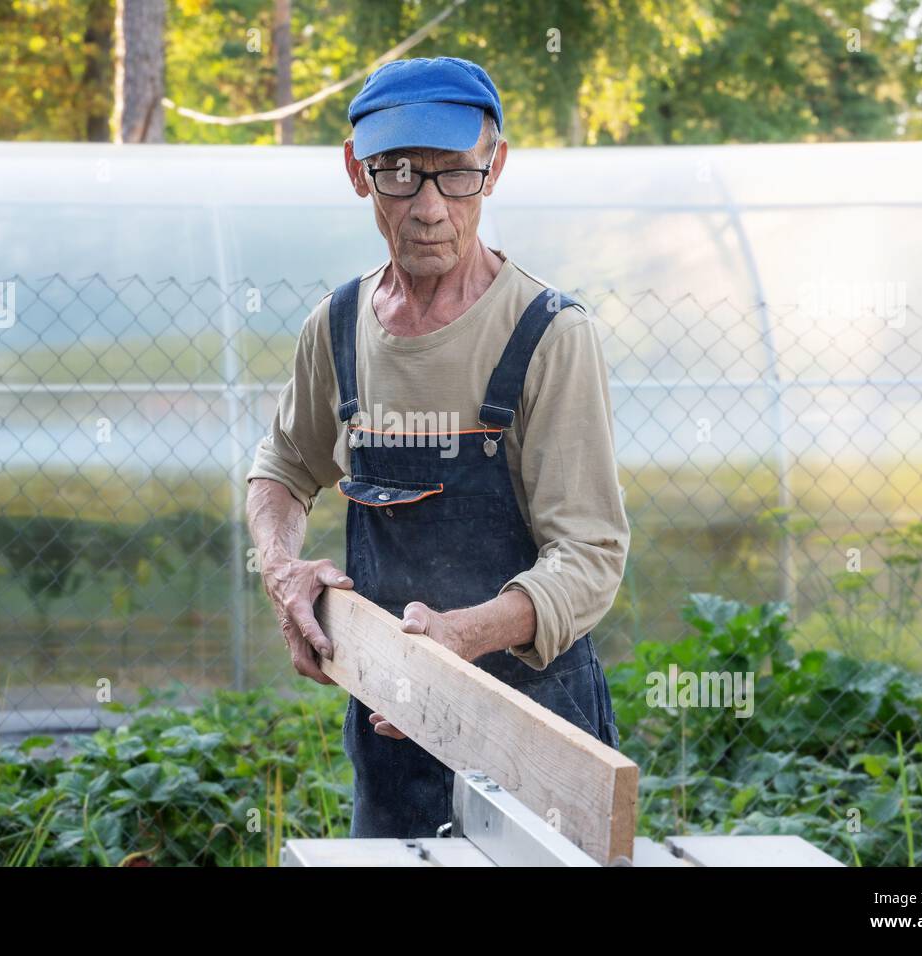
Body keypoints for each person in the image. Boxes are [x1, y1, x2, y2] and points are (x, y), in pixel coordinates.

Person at [245, 56, 630, 839]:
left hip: (533, 726)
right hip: (394, 727)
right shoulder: (338, 327)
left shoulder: (550, 335)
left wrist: (463, 637)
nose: (427, 208)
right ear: (358, 172)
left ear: (496, 169)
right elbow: (283, 467)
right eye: (398, 174)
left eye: (455, 175)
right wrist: (282, 569)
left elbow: (589, 554)